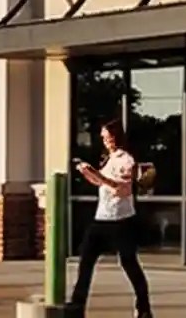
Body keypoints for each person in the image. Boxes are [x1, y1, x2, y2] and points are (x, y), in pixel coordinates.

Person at [66, 119, 153, 318]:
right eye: (104, 138)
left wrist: (97, 174)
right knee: (85, 260)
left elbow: (122, 188)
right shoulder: (109, 158)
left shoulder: (126, 160)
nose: (106, 142)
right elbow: (102, 184)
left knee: (129, 263)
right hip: (102, 218)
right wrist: (88, 173)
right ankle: (76, 307)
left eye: (109, 138)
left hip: (121, 220)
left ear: (117, 138)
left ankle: (144, 307)